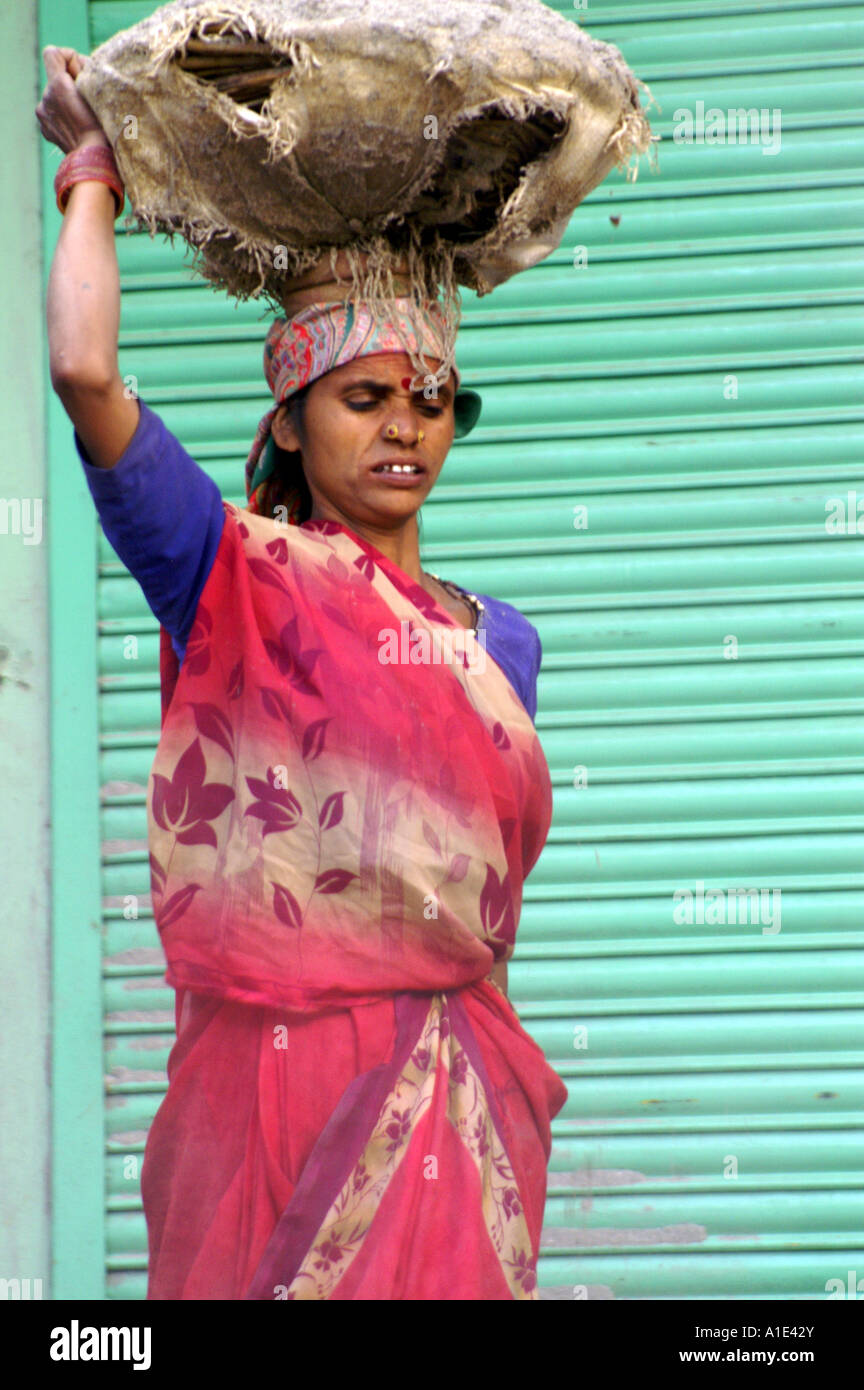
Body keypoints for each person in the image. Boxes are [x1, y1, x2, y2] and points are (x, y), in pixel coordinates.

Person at [38, 44, 568, 1300]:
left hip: (448, 1094)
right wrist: (93, 176)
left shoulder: (504, 644)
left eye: (434, 400)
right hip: (265, 1099)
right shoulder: (225, 578)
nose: (405, 426)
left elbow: (483, 924)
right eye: (369, 394)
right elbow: (82, 372)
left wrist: (489, 1094)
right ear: (289, 416)